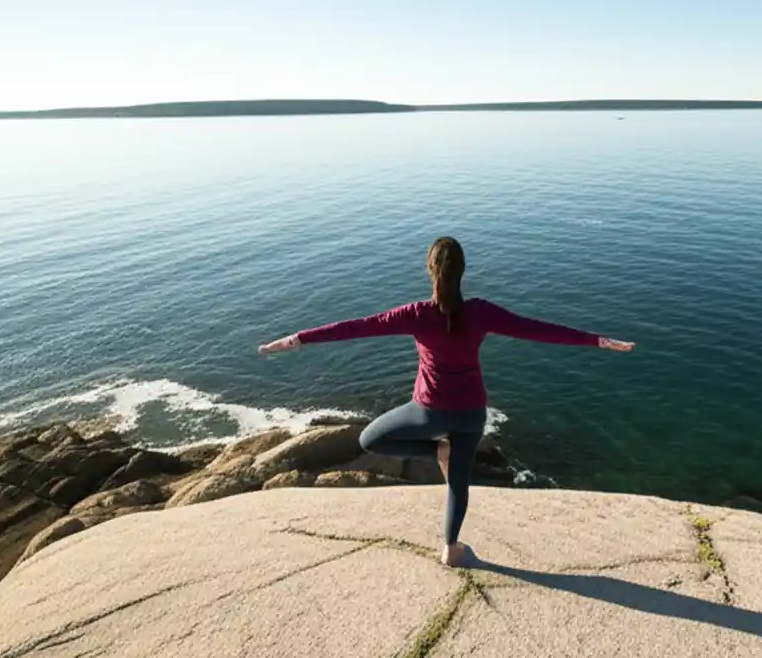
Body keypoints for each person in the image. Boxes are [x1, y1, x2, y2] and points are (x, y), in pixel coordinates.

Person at [258, 237, 634, 566]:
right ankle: (450, 548)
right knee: (458, 482)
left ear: (429, 270)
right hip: (471, 415)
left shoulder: (417, 314)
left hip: (427, 413)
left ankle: (438, 450)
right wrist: (598, 340)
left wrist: (295, 340)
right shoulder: (481, 312)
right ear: (463, 272)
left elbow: (356, 327)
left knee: (369, 440)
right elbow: (538, 330)